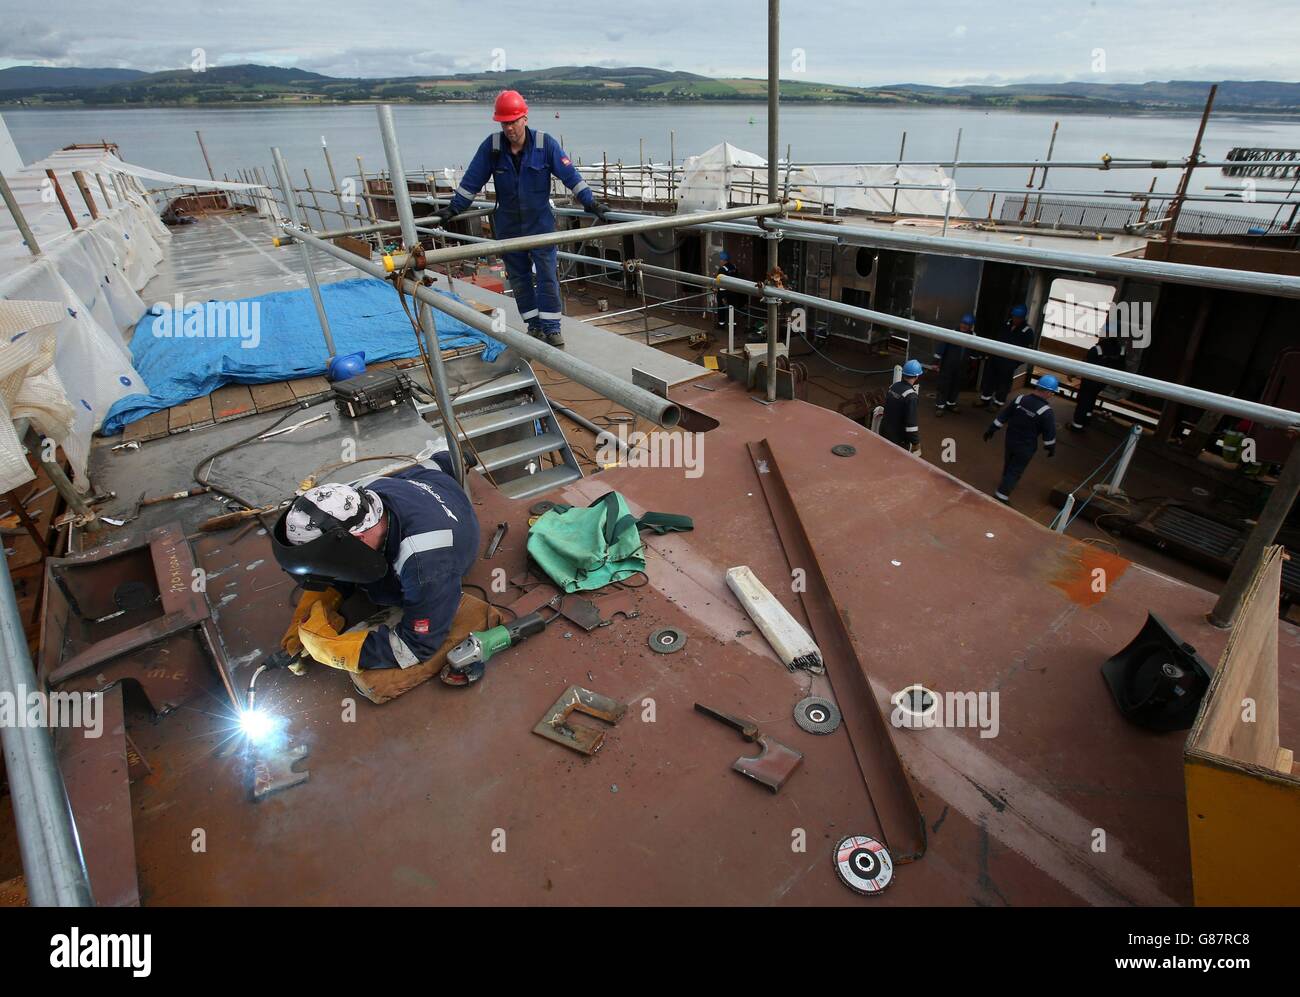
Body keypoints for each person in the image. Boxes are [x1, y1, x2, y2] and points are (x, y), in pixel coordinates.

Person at [270, 445, 484, 701]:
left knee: (388, 595)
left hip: (450, 522)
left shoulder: (425, 564)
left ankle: (451, 461)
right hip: (418, 484)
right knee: (430, 469)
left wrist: (332, 650)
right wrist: (315, 603)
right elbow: (343, 560)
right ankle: (451, 460)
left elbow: (415, 646)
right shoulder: (362, 491)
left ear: (357, 538)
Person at [444, 90, 610, 349]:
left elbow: (571, 176)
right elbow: (472, 181)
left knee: (547, 277)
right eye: (504, 123)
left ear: (525, 117)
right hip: (509, 228)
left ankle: (552, 328)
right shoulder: (493, 146)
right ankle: (534, 325)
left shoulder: (545, 145)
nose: (509, 128)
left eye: (513, 121)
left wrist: (591, 203)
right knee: (519, 278)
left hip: (540, 226)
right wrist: (452, 209)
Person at [983, 374, 1059, 504]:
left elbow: (1004, 415)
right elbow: (1049, 432)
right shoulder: (1046, 411)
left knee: (1009, 462)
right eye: (1052, 392)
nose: (1052, 395)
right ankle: (1002, 495)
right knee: (1016, 469)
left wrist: (992, 429)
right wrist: (1050, 447)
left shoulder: (1020, 399)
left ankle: (1006, 480)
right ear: (1047, 392)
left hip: (1011, 439)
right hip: (1026, 445)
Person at [977, 304, 1035, 409]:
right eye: (1014, 317)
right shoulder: (1006, 324)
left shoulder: (1027, 332)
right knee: (989, 379)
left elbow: (1027, 352)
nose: (1015, 319)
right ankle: (985, 400)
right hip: (995, 358)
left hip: (1009, 362)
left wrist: (1014, 364)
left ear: (1023, 318)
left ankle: (997, 403)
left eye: (1018, 318)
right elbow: (996, 338)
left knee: (1004, 384)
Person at [1069, 334, 1126, 432]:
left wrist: (1072, 374)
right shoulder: (1120, 350)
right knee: (1091, 399)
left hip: (1089, 380)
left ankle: (1076, 426)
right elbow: (1121, 367)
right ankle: (1086, 420)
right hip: (1102, 382)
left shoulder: (1096, 349)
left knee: (1083, 401)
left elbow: (1084, 365)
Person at [933, 312, 975, 415]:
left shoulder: (973, 336)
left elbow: (974, 351)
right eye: (963, 323)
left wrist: (973, 363)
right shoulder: (951, 333)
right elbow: (941, 348)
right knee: (944, 385)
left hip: (961, 367)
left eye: (967, 325)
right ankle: (940, 406)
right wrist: (936, 362)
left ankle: (951, 404)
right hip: (948, 365)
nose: (964, 326)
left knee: (956, 385)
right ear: (960, 323)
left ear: (970, 326)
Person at [881, 359, 924, 454]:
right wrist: (916, 443)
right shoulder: (911, 396)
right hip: (898, 439)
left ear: (903, 374)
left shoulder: (893, 387)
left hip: (884, 431)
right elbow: (911, 425)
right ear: (917, 376)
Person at [714, 250, 739, 329]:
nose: (720, 262)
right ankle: (733, 326)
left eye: (720, 260)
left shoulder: (722, 269)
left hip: (723, 292)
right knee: (732, 308)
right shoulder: (733, 267)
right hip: (733, 291)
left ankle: (721, 325)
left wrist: (715, 288)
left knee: (721, 308)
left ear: (723, 260)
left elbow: (719, 281)